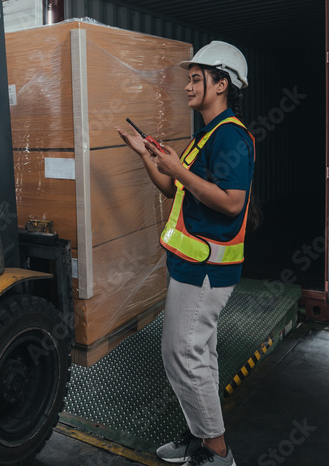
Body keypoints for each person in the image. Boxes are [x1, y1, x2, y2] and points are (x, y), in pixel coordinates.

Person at [116, 41, 254, 466]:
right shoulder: (206, 135)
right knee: (199, 355)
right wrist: (148, 158)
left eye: (197, 79)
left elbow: (231, 201)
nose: (189, 86)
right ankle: (201, 437)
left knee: (181, 352)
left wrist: (178, 169)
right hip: (192, 265)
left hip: (207, 269)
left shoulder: (230, 136)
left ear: (222, 84)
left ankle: (216, 451)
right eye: (189, 79)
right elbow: (175, 190)